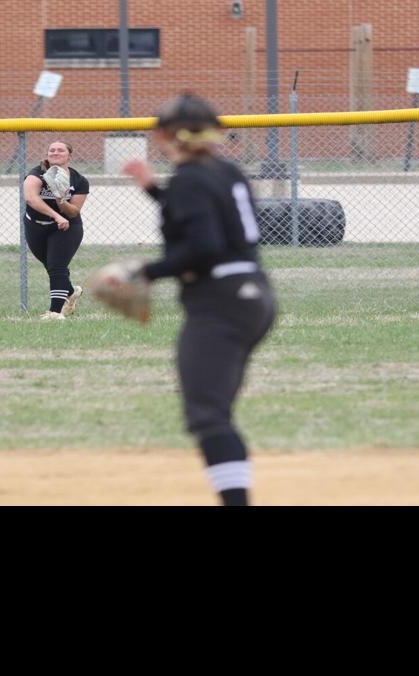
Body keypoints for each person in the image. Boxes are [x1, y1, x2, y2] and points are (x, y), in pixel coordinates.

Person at [120, 94, 278, 506]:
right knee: (216, 410)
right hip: (254, 292)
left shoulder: (189, 178)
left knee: (208, 416)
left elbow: (204, 246)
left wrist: (145, 273)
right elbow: (209, 217)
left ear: (167, 136)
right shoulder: (228, 172)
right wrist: (154, 189)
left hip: (219, 301)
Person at [22, 141, 89, 318]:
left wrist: (61, 200)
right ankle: (70, 291)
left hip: (67, 227)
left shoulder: (79, 180)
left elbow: (73, 212)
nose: (55, 152)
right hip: (35, 225)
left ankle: (54, 312)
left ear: (69, 155)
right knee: (51, 266)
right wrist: (56, 215)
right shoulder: (37, 173)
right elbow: (30, 198)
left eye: (60, 150)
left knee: (56, 266)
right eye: (52, 150)